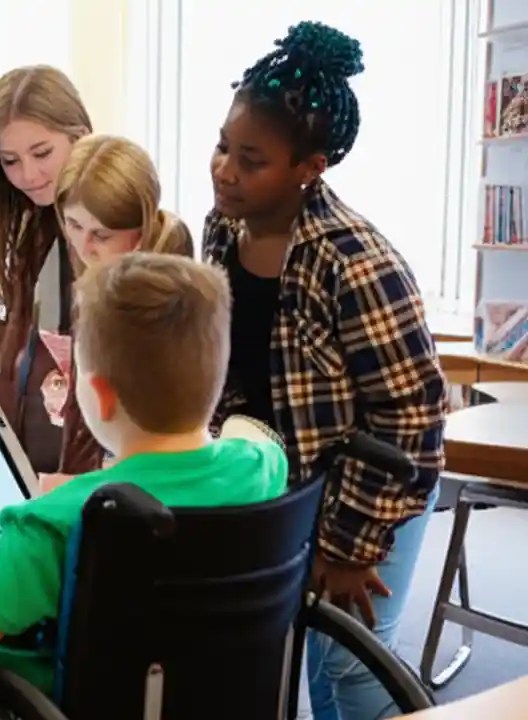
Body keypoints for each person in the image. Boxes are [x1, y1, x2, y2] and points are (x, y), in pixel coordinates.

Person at [0, 252, 289, 693]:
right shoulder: (260, 467)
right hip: (213, 699)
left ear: (100, 397)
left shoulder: (56, 522)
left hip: (45, 705)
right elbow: (252, 434)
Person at [205, 21, 447, 720]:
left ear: (310, 166)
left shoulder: (356, 263)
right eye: (224, 145)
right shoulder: (223, 230)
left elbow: (413, 420)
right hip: (292, 482)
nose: (225, 169)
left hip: (377, 490)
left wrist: (348, 547)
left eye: (251, 160)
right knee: (290, 659)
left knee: (349, 673)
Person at [38, 133, 195, 494]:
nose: (82, 246)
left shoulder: (159, 302)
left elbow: (157, 453)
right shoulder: (105, 277)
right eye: (73, 225)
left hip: (150, 492)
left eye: (102, 235)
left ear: (140, 232)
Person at [0, 65, 94, 477]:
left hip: (87, 479)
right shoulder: (29, 229)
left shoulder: (104, 226)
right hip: (38, 472)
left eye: (42, 154)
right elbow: (18, 359)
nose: (28, 175)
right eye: (10, 161)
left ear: (79, 136)